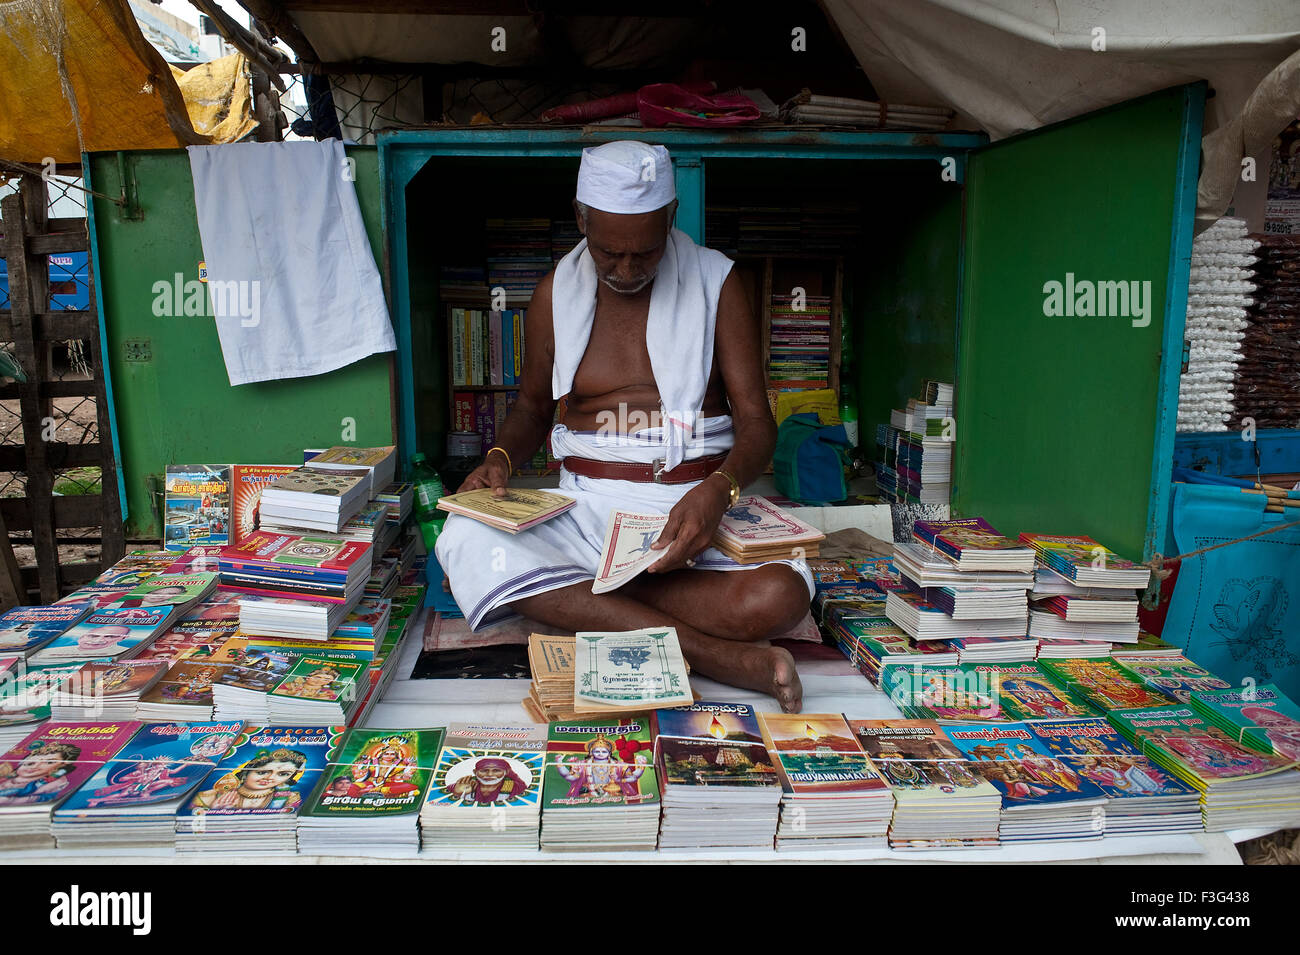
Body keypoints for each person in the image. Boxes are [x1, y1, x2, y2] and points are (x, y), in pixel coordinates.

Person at [436, 141, 811, 712]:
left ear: (671, 217)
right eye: (610, 253)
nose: (628, 270)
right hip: (586, 512)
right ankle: (716, 655)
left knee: (778, 596)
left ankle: (586, 603)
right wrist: (499, 460)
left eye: (647, 252)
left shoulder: (719, 284)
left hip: (693, 504)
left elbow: (758, 422)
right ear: (581, 218)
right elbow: (534, 409)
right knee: (466, 539)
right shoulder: (552, 294)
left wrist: (719, 492)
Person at [188, 747, 308, 814]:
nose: (270, 778)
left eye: (283, 774)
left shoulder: (290, 798)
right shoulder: (208, 797)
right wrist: (213, 811)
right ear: (247, 770)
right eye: (262, 772)